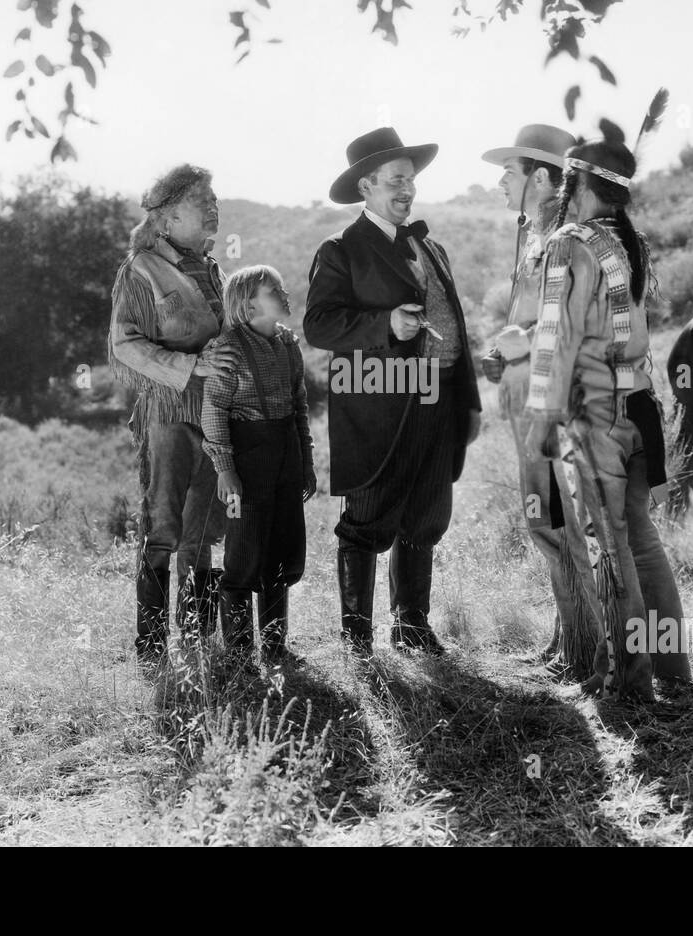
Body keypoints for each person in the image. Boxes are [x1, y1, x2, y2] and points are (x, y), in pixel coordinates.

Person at [524, 124, 692, 701]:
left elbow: (554, 338)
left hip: (596, 414)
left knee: (610, 545)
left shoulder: (568, 245)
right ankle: (674, 673)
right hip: (641, 405)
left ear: (575, 183)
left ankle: (627, 682)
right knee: (642, 542)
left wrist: (542, 416)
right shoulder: (629, 243)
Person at [305, 126, 482, 656]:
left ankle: (411, 626)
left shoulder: (433, 248)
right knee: (366, 522)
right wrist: (385, 325)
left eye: (411, 181)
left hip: (437, 401)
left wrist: (467, 402)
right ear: (366, 187)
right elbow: (318, 324)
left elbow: (457, 328)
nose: (407, 191)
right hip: (376, 404)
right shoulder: (340, 249)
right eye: (396, 181)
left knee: (425, 517)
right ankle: (356, 638)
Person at [479, 124, 603, 679]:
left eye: (510, 171)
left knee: (560, 517)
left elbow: (571, 319)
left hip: (550, 401)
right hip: (528, 394)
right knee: (547, 517)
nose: (500, 182)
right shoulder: (535, 233)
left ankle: (589, 650)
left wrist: (523, 343)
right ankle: (570, 638)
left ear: (543, 177)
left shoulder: (567, 236)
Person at [108, 164, 237, 664]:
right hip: (168, 412)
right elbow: (124, 346)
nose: (213, 206)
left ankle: (199, 644)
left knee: (203, 529)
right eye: (202, 198)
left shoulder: (211, 268)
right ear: (168, 215)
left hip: (214, 415)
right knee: (163, 523)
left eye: (214, 196)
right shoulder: (140, 269)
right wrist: (190, 364)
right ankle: (152, 648)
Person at [201, 265, 316, 664]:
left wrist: (307, 462)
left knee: (282, 549)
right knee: (244, 553)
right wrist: (224, 468)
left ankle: (275, 646)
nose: (285, 294)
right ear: (250, 303)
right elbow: (214, 408)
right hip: (246, 459)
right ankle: (237, 655)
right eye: (275, 290)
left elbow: (299, 405)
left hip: (286, 453)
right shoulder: (228, 347)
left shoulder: (288, 343)